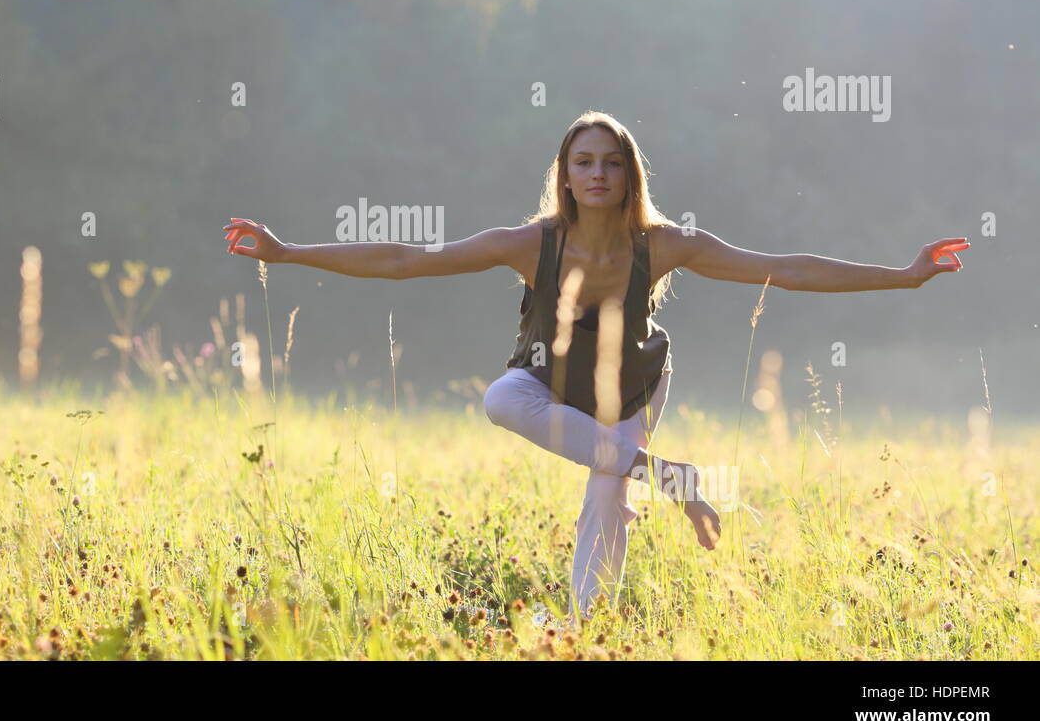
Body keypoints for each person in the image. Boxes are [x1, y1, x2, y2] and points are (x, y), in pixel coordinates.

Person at [222, 110, 969, 626]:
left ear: (631, 174)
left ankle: (586, 630)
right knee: (499, 398)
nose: (598, 173)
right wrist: (287, 253)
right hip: (543, 384)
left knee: (606, 498)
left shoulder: (665, 244)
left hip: (632, 385)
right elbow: (406, 260)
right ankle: (669, 477)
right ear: (565, 175)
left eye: (612, 162)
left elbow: (785, 269)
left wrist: (903, 277)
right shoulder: (529, 244)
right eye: (584, 161)